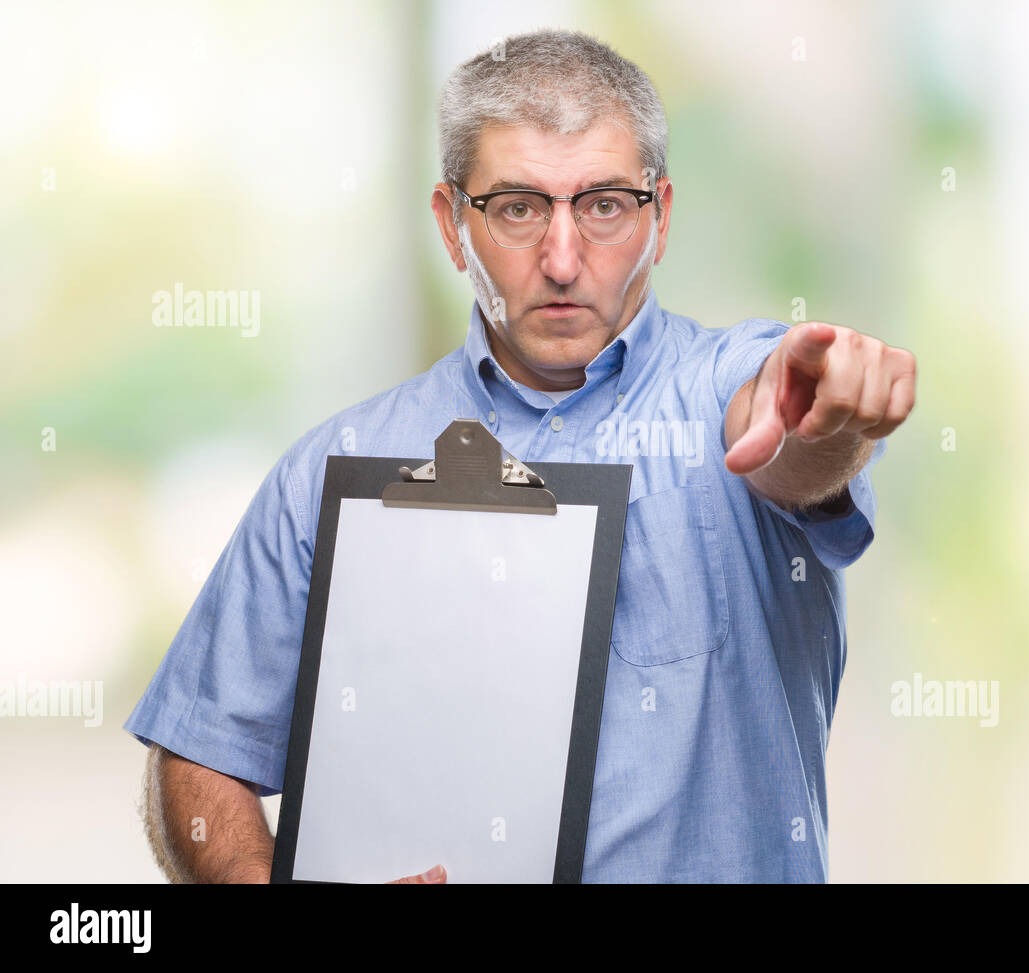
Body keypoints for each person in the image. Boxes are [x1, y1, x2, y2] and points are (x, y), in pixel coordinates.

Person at [125, 26, 916, 884]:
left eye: (605, 204)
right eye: (518, 207)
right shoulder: (332, 471)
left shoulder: (727, 390)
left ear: (661, 216)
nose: (564, 257)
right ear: (452, 225)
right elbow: (198, 758)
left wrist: (826, 415)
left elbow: (785, 443)